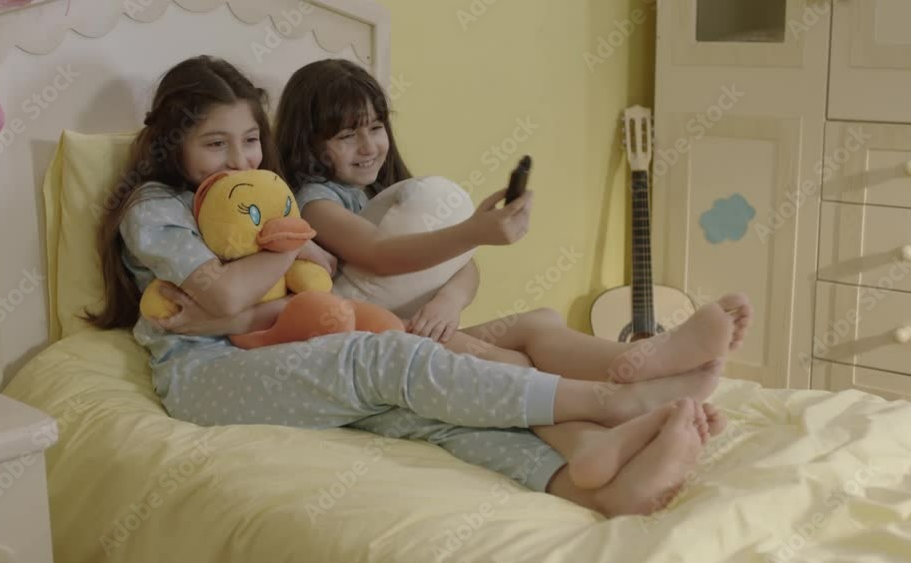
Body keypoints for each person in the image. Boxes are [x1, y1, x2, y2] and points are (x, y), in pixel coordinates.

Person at [86, 55, 724, 518]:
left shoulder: (262, 196)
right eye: (215, 145)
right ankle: (611, 400)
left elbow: (287, 290)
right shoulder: (157, 206)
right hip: (207, 379)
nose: (241, 161)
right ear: (173, 146)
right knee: (387, 358)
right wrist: (287, 243)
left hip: (280, 342)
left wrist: (277, 265)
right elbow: (224, 295)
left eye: (251, 140)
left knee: (421, 410)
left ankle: (596, 477)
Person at [275, 58, 752, 387]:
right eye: (347, 135)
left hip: (421, 329)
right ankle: (632, 380)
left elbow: (465, 265)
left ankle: (645, 363)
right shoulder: (315, 203)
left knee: (540, 323)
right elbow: (378, 256)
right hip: (370, 346)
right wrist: (473, 232)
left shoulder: (386, 194)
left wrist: (449, 299)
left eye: (376, 127)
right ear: (310, 144)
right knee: (511, 361)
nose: (369, 146)